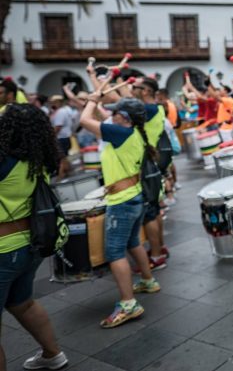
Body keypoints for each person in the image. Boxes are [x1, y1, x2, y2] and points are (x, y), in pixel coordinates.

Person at [79, 96, 161, 328]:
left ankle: (128, 303)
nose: (111, 114)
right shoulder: (130, 132)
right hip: (133, 196)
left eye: (115, 112)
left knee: (114, 251)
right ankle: (148, 280)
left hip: (123, 201)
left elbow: (85, 119)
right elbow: (96, 119)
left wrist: (93, 100)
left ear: (123, 117)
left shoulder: (120, 133)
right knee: (133, 242)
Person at [0, 104, 67, 370]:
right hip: (30, 245)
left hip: (4, 250)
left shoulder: (4, 161)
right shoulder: (41, 159)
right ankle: (52, 354)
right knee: (22, 303)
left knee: (23, 303)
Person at [130, 77, 168, 270]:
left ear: (145, 91)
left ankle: (155, 255)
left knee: (150, 214)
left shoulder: (150, 109)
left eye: (135, 87)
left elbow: (121, 103)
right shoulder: (157, 107)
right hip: (151, 162)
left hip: (146, 165)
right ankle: (159, 248)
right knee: (155, 208)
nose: (131, 89)